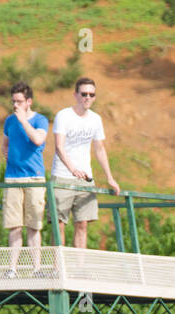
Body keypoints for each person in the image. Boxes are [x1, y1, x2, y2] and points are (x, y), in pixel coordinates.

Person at [51, 77, 120, 249]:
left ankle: (79, 269)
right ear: (75, 95)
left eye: (91, 94)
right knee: (58, 224)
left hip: (85, 179)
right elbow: (59, 147)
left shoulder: (95, 119)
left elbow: (100, 149)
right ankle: (57, 267)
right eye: (84, 94)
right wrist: (73, 169)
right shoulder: (64, 115)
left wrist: (110, 178)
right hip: (62, 177)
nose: (87, 97)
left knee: (82, 224)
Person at [2, 81, 49, 278]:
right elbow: (5, 143)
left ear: (28, 101)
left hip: (34, 178)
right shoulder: (9, 121)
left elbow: (38, 139)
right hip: (13, 178)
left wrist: (23, 121)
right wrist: (8, 155)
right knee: (14, 225)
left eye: (19, 101)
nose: (15, 105)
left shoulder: (40, 120)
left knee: (33, 225)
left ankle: (36, 268)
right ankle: (12, 268)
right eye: (13, 101)